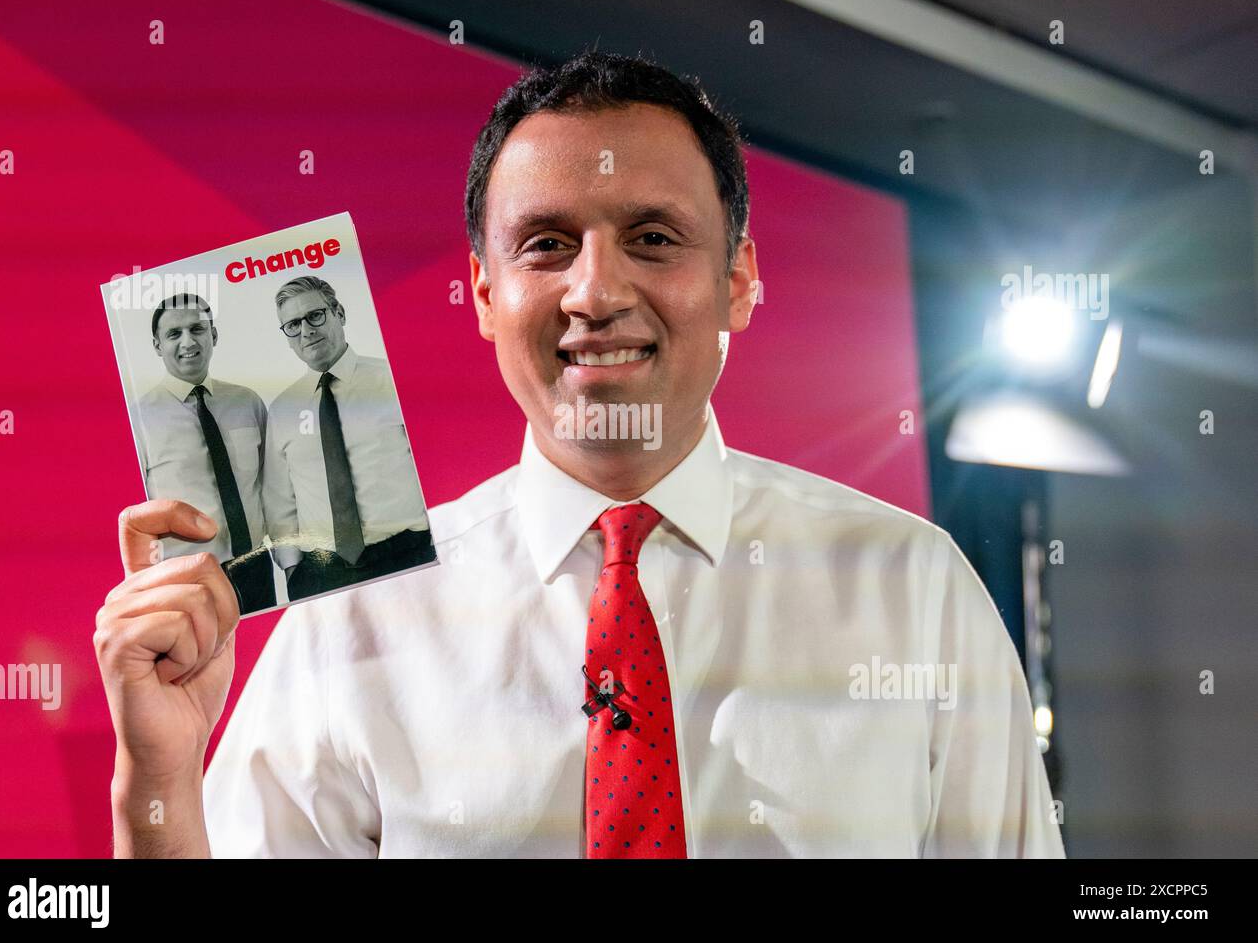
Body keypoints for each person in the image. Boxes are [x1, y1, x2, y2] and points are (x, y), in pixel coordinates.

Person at [95, 52, 1065, 858]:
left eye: (651, 237)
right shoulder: (353, 616)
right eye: (547, 244)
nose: (593, 290)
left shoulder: (912, 587)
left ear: (737, 279)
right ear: (482, 292)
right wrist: (160, 777)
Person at [263, 275, 435, 599]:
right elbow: (279, 502)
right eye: (293, 325)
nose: (306, 331)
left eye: (315, 315)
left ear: (339, 313)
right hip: (323, 574)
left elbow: (435, 466)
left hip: (407, 555)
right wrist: (293, 573)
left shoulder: (393, 379)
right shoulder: (282, 410)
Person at [134, 293, 275, 613]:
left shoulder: (247, 402)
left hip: (255, 567)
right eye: (174, 333)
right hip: (189, 580)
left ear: (213, 335)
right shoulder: (139, 420)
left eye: (197, 329)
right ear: (157, 346)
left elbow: (272, 485)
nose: (188, 341)